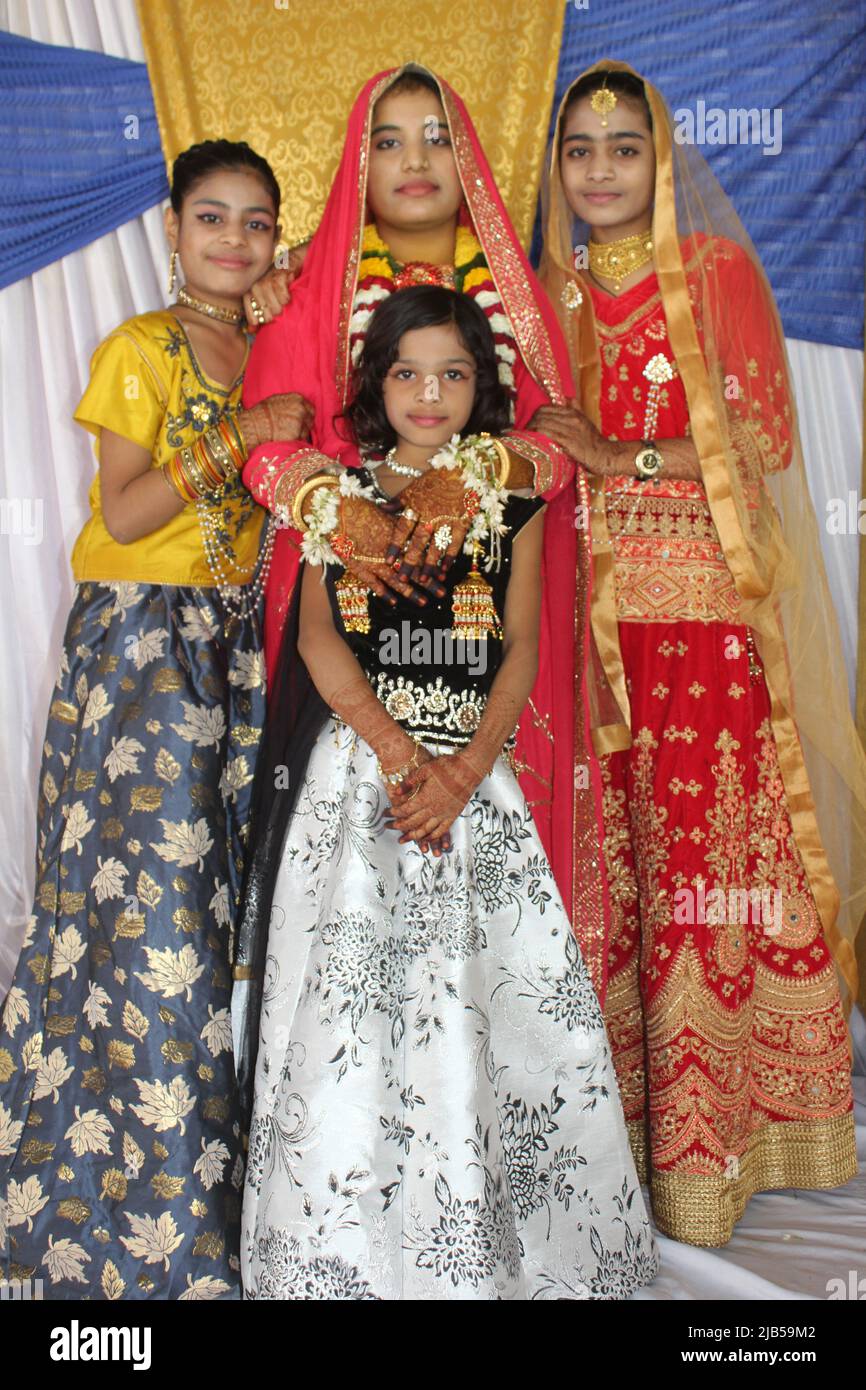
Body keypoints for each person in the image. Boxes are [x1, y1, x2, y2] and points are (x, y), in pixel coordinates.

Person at [237, 284, 658, 1300]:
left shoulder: (510, 496)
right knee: (355, 1003)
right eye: (408, 372)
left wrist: (464, 772)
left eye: (454, 373)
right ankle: (341, 1246)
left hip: (474, 784)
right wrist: (394, 754)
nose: (430, 393)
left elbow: (521, 645)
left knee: (480, 998)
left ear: (482, 384)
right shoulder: (331, 491)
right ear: (377, 383)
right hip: (363, 783)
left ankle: (496, 1243)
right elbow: (314, 638)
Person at [536, 61, 866, 1246]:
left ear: (659, 158)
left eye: (623, 147)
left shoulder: (710, 274)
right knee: (610, 861)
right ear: (556, 166)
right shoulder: (547, 289)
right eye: (580, 148)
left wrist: (614, 453)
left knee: (708, 857)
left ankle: (728, 1131)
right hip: (587, 618)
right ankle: (616, 1136)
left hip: (703, 620)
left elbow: (762, 435)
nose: (601, 170)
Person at [230, 62, 611, 1020]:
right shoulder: (306, 291)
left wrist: (476, 474)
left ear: (470, 158)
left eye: (435, 136)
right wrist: (331, 502)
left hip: (480, 630)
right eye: (388, 140)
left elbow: (562, 447)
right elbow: (262, 448)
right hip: (353, 621)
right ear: (360, 160)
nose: (413, 159)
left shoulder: (519, 297)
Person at [0, 140, 312, 1298]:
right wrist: (234, 433)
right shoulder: (141, 348)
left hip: (235, 642)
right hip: (142, 644)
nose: (234, 242)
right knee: (144, 919)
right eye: (212, 220)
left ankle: (213, 1183)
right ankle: (122, 1200)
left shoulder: (267, 344)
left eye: (256, 224)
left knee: (221, 908)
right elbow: (126, 512)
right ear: (171, 231)